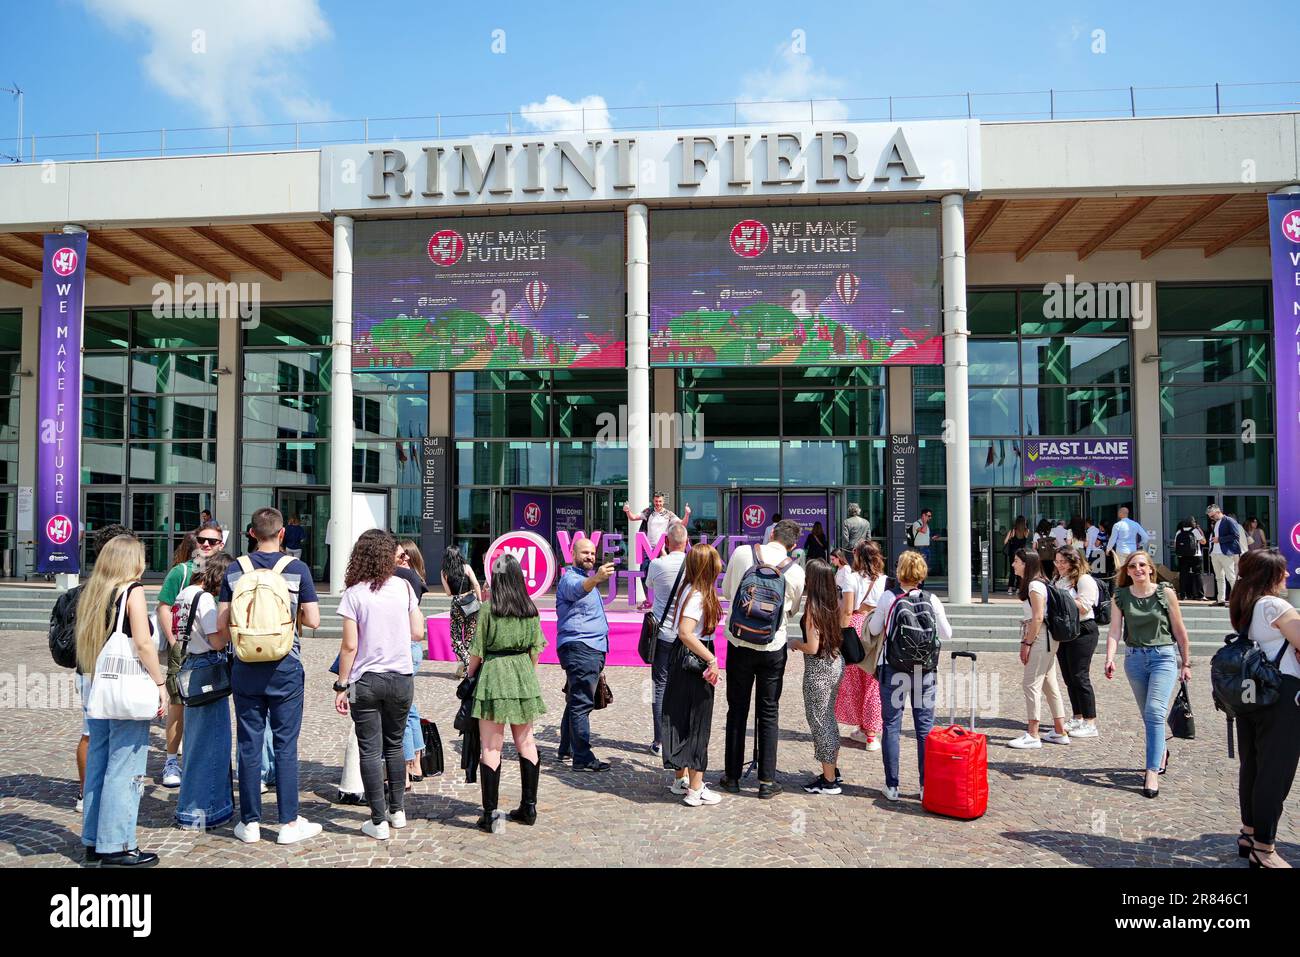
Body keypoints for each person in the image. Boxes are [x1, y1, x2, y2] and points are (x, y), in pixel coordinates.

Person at [216, 506, 322, 845]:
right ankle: (289, 823)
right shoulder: (297, 568)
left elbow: (221, 624)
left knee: (248, 742)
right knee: (285, 743)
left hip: (245, 665)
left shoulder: (235, 569)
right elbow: (316, 620)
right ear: (281, 534)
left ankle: (250, 823)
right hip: (285, 665)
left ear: (251, 533)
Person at [76, 533, 165, 867]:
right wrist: (159, 683)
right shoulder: (133, 591)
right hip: (126, 691)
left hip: (100, 688)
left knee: (99, 762)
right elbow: (143, 643)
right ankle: (117, 844)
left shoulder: (96, 591)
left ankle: (94, 839)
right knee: (125, 765)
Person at [334, 529, 422, 840]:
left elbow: (349, 646)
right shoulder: (403, 587)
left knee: (370, 750)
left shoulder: (353, 594)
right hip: (401, 678)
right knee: (395, 745)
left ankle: (377, 820)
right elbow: (418, 632)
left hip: (364, 681)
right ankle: (397, 811)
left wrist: (341, 686)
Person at [717, 518, 806, 799]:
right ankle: (767, 781)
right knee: (768, 712)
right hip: (772, 647)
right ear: (793, 545)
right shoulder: (795, 571)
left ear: (771, 534)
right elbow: (790, 610)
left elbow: (729, 593)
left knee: (737, 709)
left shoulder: (743, 553)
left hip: (739, 642)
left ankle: (731, 777)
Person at [51, 523, 131, 815]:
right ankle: (94, 793)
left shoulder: (85, 590)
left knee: (92, 733)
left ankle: (89, 792)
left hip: (87, 672)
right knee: (104, 735)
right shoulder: (115, 592)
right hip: (110, 672)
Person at [1229, 548, 1300, 868]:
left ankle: (1249, 833)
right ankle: (1265, 847)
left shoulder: (1245, 604)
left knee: (1254, 766)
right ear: (1270, 575)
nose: (1288, 575)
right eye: (1282, 571)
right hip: (1282, 694)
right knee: (1276, 771)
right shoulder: (1274, 604)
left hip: (1252, 695)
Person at [466, 553, 547, 831]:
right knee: (527, 743)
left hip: (494, 676)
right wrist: (525, 672)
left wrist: (468, 675)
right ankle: (530, 808)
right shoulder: (530, 609)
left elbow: (476, 651)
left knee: (491, 747)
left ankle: (490, 815)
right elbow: (537, 648)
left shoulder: (488, 609)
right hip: (523, 675)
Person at [1104, 551, 1192, 798]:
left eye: (1143, 565)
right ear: (1128, 571)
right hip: (1134, 660)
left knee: (1155, 711)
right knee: (1148, 715)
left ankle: (1151, 770)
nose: (1138, 569)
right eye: (1133, 566)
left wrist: (1186, 663)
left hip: (1163, 657)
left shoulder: (1165, 593)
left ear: (1151, 569)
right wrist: (1109, 657)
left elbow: (1179, 629)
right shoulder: (1120, 596)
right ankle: (1161, 751)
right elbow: (1114, 631)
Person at [866, 550, 952, 801]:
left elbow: (872, 629)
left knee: (892, 726)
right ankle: (926, 786)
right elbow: (947, 634)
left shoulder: (888, 598)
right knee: (924, 729)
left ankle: (892, 786)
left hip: (893, 669)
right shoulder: (932, 599)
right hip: (923, 671)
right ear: (922, 574)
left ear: (899, 572)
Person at [174, 553, 236, 830]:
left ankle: (194, 805)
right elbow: (217, 641)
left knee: (195, 742)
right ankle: (205, 809)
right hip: (207, 665)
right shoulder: (207, 600)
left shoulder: (185, 593)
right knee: (213, 743)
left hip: (189, 661)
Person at [661, 544, 724, 806]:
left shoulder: (688, 588)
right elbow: (686, 632)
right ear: (709, 566)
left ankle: (681, 780)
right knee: (699, 722)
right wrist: (711, 659)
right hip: (694, 659)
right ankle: (696, 788)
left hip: (681, 657)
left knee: (680, 717)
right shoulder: (699, 594)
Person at [555, 536, 615, 771]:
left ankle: (566, 748)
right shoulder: (570, 579)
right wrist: (597, 578)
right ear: (572, 555)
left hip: (589, 649)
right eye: (584, 553)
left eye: (592, 553)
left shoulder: (582, 578)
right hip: (582, 649)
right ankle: (583, 757)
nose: (590, 556)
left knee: (575, 700)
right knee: (581, 704)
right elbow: (578, 590)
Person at [155, 528, 206, 788]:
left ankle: (201, 759)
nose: (208, 545)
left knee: (208, 702)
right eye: (204, 541)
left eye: (215, 540)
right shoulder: (181, 572)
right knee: (178, 703)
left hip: (211, 651)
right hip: (184, 650)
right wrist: (174, 642)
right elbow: (163, 606)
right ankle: (171, 761)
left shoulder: (221, 571)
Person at [1007, 549, 1071, 749]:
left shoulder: (1035, 585)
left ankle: (1033, 733)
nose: (1013, 564)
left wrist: (1027, 643)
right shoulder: (1040, 583)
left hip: (1041, 637)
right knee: (1049, 684)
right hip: (1045, 637)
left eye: (1016, 561)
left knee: (1030, 683)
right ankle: (1060, 730)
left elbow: (1037, 617)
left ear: (1026, 564)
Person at [793, 559, 846, 795]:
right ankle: (831, 769)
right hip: (834, 663)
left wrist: (795, 643)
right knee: (828, 718)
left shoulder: (814, 608)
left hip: (819, 669)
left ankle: (829, 780)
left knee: (819, 720)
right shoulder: (834, 603)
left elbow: (812, 647)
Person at [834, 540, 886, 750]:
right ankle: (870, 732)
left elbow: (846, 610)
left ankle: (866, 730)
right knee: (873, 680)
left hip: (856, 627)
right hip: (876, 628)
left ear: (858, 556)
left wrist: (840, 635)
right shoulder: (885, 581)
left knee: (855, 681)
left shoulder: (852, 578)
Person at [647, 522, 690, 756]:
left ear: (666, 542)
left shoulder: (657, 564)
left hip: (663, 635)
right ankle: (680, 736)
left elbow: (650, 587)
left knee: (659, 687)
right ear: (686, 542)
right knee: (683, 687)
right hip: (686, 635)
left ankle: (660, 740)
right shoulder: (693, 566)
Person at [1053, 547, 1100, 738]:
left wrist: (1062, 600)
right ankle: (1077, 716)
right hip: (1064, 630)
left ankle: (1090, 721)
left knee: (1080, 676)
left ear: (1074, 562)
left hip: (1083, 630)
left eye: (1063, 562)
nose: (1060, 566)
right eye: (1057, 562)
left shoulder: (1084, 580)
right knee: (1068, 676)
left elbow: (1084, 606)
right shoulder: (1058, 580)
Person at [396, 539, 430, 786]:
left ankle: (407, 765)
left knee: (402, 711)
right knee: (409, 708)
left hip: (405, 646)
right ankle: (416, 760)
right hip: (413, 648)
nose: (403, 560)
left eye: (405, 556)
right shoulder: (414, 579)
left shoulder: (406, 579)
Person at [624, 492, 691, 611]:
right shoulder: (648, 512)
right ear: (653, 501)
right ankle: (649, 600)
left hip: (662, 548)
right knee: (643, 572)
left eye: (660, 501)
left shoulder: (668, 514)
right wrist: (627, 511)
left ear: (663, 501)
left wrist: (687, 514)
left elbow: (682, 524)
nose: (658, 504)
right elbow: (633, 518)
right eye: (656, 501)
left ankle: (664, 598)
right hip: (648, 548)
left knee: (664, 573)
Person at [440, 545, 482, 678]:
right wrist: (480, 600)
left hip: (457, 605)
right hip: (471, 603)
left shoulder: (444, 572)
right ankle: (470, 667)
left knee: (456, 639)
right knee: (469, 637)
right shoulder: (467, 567)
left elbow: (448, 593)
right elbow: (476, 584)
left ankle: (467, 663)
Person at [1206, 504, 1244, 606]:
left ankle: (1237, 600)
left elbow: (1235, 535)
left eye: (1212, 516)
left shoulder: (1229, 521)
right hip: (1215, 553)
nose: (1211, 518)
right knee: (1219, 577)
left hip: (1226, 553)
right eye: (1210, 517)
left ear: (1218, 512)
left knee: (1231, 577)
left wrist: (1220, 539)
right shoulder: (1216, 522)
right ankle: (1221, 599)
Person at [1173, 518, 1204, 601]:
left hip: (1182, 556)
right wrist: (1200, 531)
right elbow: (1203, 542)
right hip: (1195, 555)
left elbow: (1175, 545)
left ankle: (1183, 595)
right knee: (1197, 574)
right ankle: (1200, 595)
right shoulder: (1195, 531)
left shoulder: (1179, 532)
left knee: (1183, 575)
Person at [1004, 516, 1029, 594]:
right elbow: (1026, 540)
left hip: (1013, 553)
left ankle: (1010, 588)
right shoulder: (1026, 531)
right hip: (1021, 554)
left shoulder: (1012, 531)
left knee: (1012, 570)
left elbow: (1005, 542)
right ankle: (1018, 588)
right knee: (1021, 569)